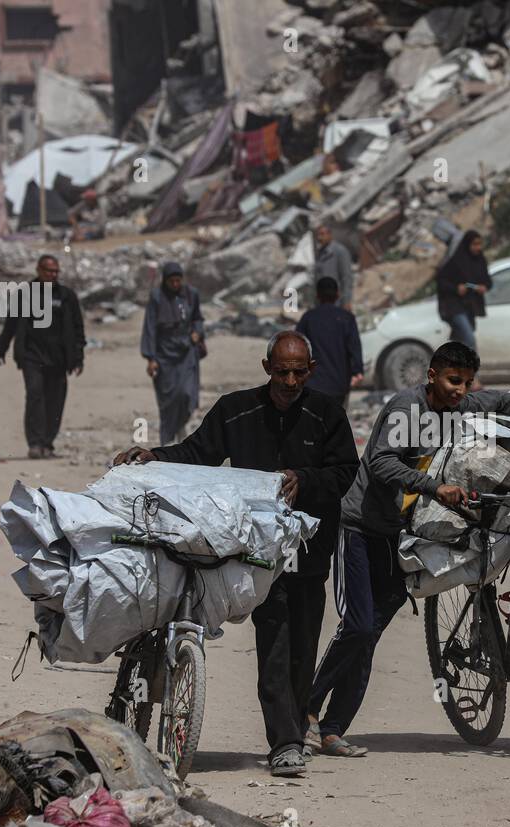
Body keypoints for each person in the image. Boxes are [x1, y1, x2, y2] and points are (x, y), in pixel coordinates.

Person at [305, 341, 510, 757]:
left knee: (372, 630)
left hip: (400, 532)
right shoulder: (405, 409)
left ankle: (332, 726)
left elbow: (504, 400)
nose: (459, 390)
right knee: (358, 626)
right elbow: (380, 463)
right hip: (359, 526)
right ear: (431, 375)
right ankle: (306, 708)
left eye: (466, 383)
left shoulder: (465, 404)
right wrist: (436, 487)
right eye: (452, 381)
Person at [112, 331, 358, 777]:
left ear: (311, 371)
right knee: (274, 640)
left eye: (298, 372)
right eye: (281, 371)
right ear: (267, 368)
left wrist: (304, 478)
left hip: (309, 552)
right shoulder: (236, 410)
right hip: (258, 555)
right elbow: (197, 452)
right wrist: (153, 456)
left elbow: (345, 473)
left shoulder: (327, 415)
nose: (289, 381)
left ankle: (297, 724)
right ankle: (283, 742)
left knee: (304, 645)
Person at [0, 254, 86, 459]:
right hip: (31, 356)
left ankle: (48, 443)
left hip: (59, 359)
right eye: (48, 271)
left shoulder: (66, 296)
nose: (52, 275)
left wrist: (78, 357)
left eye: (55, 272)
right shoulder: (25, 294)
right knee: (35, 396)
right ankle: (35, 443)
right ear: (38, 270)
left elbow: (78, 328)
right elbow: (11, 323)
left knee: (55, 401)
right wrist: (2, 346)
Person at [141, 261, 205, 446]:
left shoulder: (191, 295)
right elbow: (150, 328)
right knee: (169, 400)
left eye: (179, 281)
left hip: (187, 354)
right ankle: (168, 441)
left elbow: (198, 319)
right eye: (172, 281)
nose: (176, 285)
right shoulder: (157, 297)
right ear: (165, 281)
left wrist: (197, 332)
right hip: (164, 356)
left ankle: (181, 426)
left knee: (186, 394)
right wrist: (151, 358)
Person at [296, 276, 363, 407]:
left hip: (312, 385)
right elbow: (354, 347)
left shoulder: (308, 318)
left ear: (317, 295)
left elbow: (297, 347)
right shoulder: (347, 318)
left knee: (314, 424)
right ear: (338, 295)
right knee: (336, 423)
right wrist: (357, 371)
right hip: (339, 385)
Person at [435, 230, 490, 351]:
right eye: (474, 244)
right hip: (454, 306)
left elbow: (487, 281)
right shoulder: (456, 261)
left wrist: (483, 287)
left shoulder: (480, 260)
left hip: (470, 305)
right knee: (469, 339)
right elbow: (441, 281)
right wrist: (456, 288)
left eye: (480, 244)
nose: (478, 248)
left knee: (461, 341)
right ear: (467, 244)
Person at [313, 223, 355, 311]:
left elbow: (346, 277)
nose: (320, 238)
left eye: (322, 234)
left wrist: (347, 301)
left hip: (337, 301)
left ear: (329, 235)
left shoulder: (340, 251)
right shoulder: (320, 253)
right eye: (318, 235)